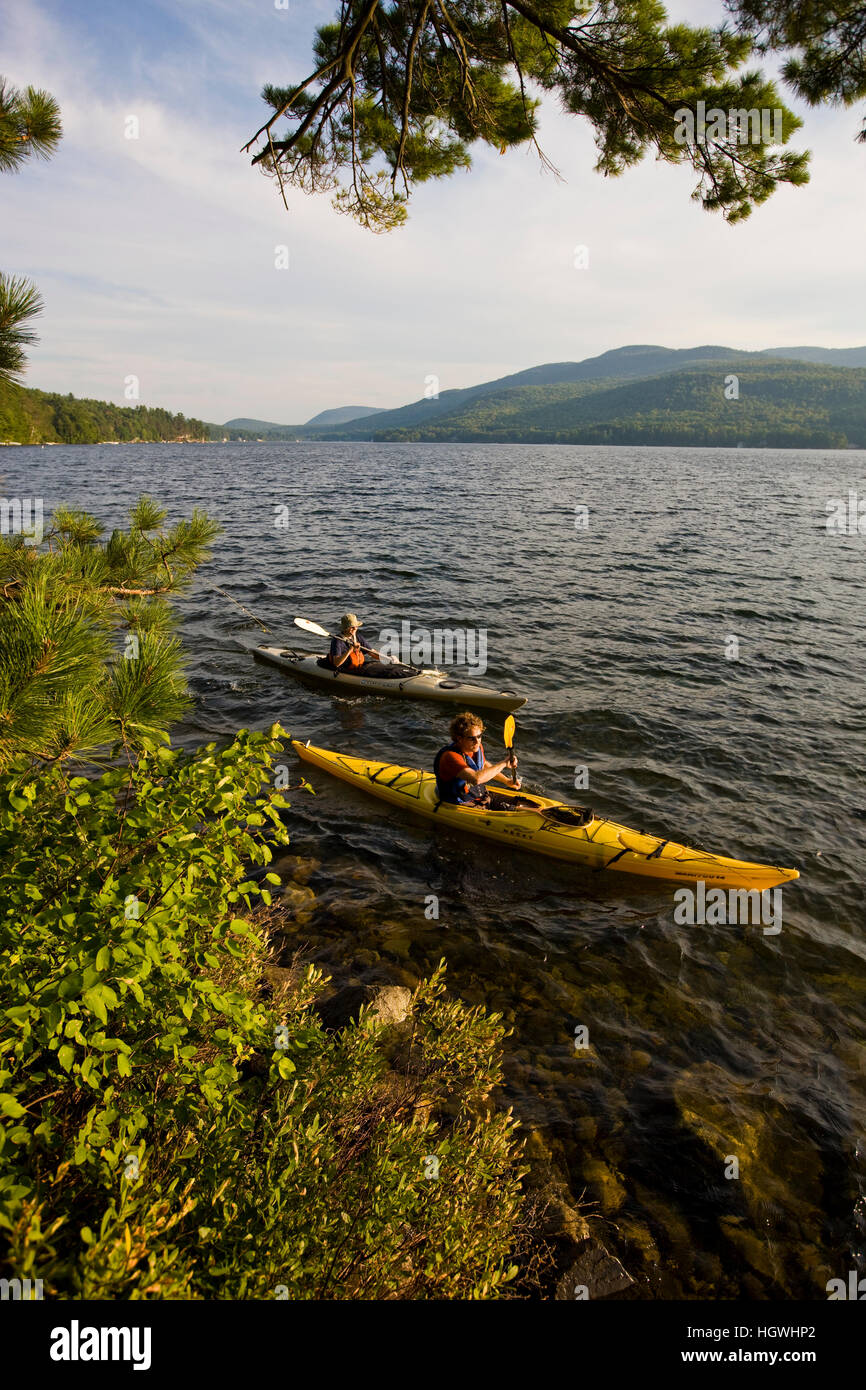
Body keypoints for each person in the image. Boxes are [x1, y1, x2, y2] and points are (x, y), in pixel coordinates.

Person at [433, 711, 526, 809]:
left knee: (523, 803)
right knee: (514, 810)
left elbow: (483, 764)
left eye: (479, 736)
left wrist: (506, 781)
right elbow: (476, 779)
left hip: (478, 794)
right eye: (472, 738)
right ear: (459, 738)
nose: (477, 741)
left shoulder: (476, 748)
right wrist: (504, 763)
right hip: (459, 802)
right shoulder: (450, 757)